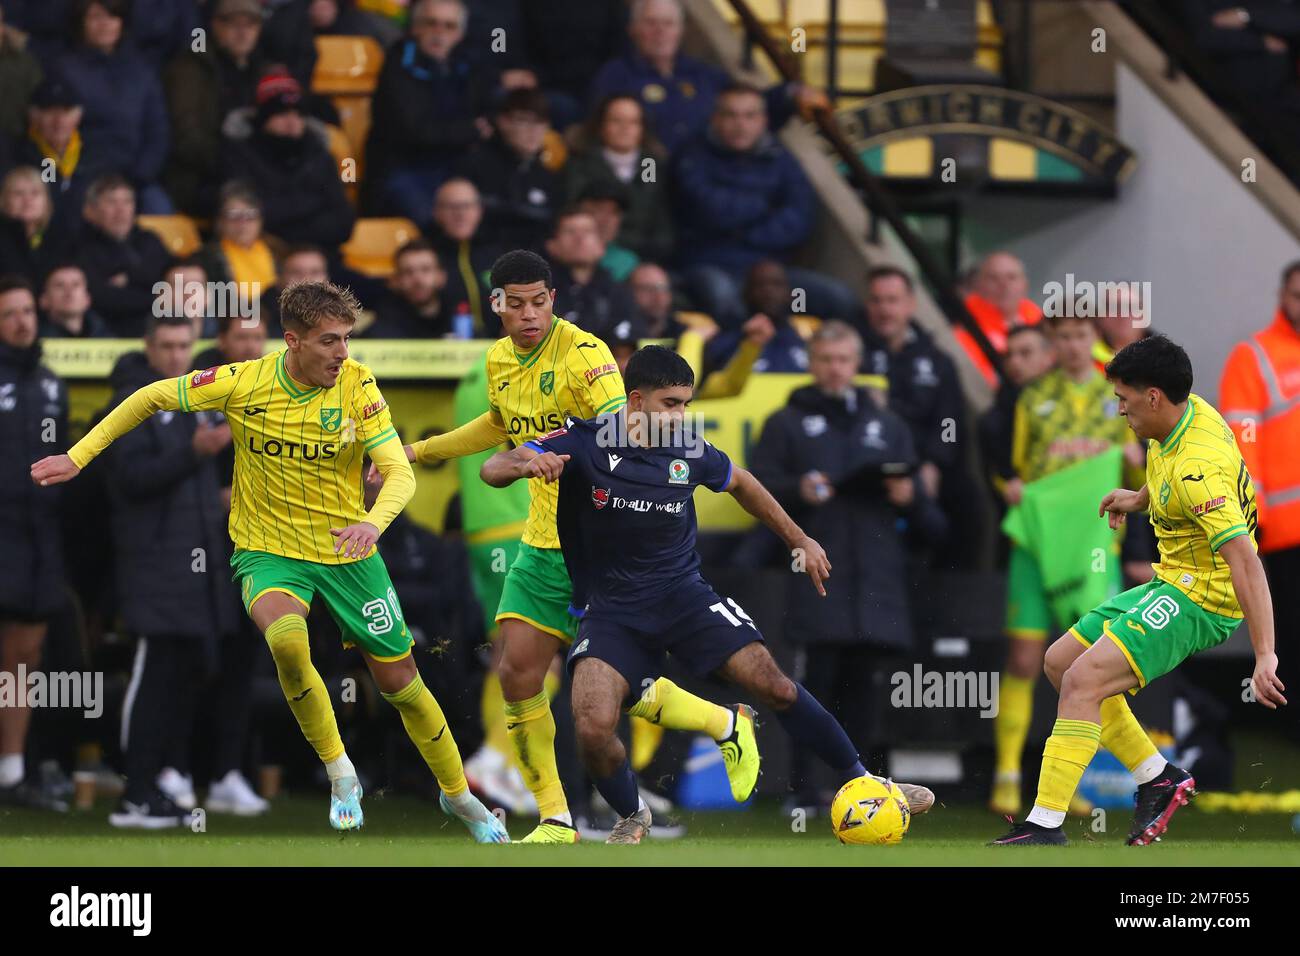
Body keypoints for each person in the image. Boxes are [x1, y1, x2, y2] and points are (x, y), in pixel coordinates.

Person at [31, 280, 508, 842]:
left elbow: (399, 471)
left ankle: (459, 797)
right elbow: (151, 396)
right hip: (269, 551)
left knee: (401, 681)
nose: (342, 353)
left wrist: (370, 524)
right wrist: (78, 455)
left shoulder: (358, 386)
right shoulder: (244, 381)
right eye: (329, 341)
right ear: (293, 341)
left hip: (347, 550)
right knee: (286, 641)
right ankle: (340, 773)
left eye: (347, 339)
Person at [482, 345, 935, 842]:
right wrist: (528, 465)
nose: (681, 416)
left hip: (684, 596)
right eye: (670, 404)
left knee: (776, 685)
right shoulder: (585, 442)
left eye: (685, 404)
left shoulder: (690, 449)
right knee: (592, 724)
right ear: (635, 401)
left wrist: (799, 539)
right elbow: (498, 464)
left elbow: (742, 483)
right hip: (611, 610)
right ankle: (633, 814)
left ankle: (866, 780)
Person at [391, 249, 748, 843]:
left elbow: (622, 433)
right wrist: (423, 451)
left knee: (612, 685)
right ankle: (557, 819)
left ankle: (719, 725)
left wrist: (568, 452)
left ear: (553, 299)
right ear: (497, 305)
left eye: (540, 301)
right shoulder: (500, 358)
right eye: (517, 303)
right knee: (516, 672)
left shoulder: (586, 356)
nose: (530, 314)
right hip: (541, 542)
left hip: (599, 546)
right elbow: (500, 426)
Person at [993, 335, 1286, 846]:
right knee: (1061, 663)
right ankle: (1158, 777)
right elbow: (1166, 461)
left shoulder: (1200, 472)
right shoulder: (1182, 412)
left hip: (1203, 598)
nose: (1118, 408)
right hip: (1174, 577)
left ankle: (1045, 824)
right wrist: (1139, 496)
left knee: (1083, 681)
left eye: (1124, 399)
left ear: (1153, 397)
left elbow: (1246, 561)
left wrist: (1264, 656)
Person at [750, 322, 947, 803]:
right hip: (817, 570)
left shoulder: (887, 423)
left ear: (856, 363)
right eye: (825, 359)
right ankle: (802, 790)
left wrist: (910, 493)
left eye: (843, 359)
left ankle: (859, 789)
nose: (835, 368)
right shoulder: (786, 422)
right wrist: (800, 489)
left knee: (864, 690)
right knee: (812, 685)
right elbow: (757, 488)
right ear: (812, 363)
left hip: (876, 576)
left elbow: (927, 514)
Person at [989, 312, 1141, 818]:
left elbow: (1144, 464)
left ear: (1093, 339)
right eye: (1063, 338)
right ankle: (1007, 773)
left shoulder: (1121, 392)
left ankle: (1066, 782)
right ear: (1053, 344)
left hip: (1095, 546)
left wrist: (1135, 458)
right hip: (1039, 544)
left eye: (1081, 336)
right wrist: (1009, 487)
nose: (1073, 346)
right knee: (1025, 660)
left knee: (1089, 665)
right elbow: (1012, 470)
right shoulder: (1033, 397)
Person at [99, 313, 240, 827]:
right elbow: (129, 480)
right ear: (149, 346)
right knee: (150, 677)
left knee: (184, 676)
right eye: (167, 345)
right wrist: (191, 453)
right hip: (151, 567)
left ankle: (153, 786)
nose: (177, 355)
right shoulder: (133, 407)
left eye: (185, 345)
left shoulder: (191, 404)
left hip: (195, 570)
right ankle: (134, 793)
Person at [672, 85, 857, 328]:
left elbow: (799, 220)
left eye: (750, 116)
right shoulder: (691, 155)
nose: (741, 125)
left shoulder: (780, 158)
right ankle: (743, 359)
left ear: (763, 120)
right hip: (711, 264)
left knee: (840, 299)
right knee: (722, 297)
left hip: (772, 271)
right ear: (715, 118)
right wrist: (764, 207)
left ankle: (794, 356)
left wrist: (744, 232)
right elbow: (714, 211)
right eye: (731, 115)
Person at [1220, 259, 1300, 741]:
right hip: (1287, 532)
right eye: (1297, 295)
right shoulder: (1256, 357)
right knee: (1291, 641)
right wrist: (1256, 521)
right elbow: (1241, 443)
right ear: (1282, 297)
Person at [0, 275, 70, 811]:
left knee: (24, 656)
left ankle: (12, 773)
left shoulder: (51, 384)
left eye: (27, 311)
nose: (22, 321)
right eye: (10, 314)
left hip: (39, 539)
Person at [590, 0, 826, 154]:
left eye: (668, 24)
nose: (660, 31)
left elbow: (747, 106)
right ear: (634, 30)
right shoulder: (615, 76)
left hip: (707, 174)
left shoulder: (703, 75)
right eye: (651, 23)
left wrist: (789, 95)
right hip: (650, 178)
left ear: (680, 32)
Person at [364, 0, 496, 223]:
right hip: (404, 170)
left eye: (449, 26)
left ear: (460, 34)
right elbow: (413, 132)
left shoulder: (468, 64)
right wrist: (469, 131)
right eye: (431, 23)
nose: (439, 32)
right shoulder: (398, 63)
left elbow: (489, 114)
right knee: (435, 221)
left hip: (458, 167)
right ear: (415, 28)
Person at [56, 0, 171, 213]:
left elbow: (157, 132)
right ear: (81, 23)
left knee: (160, 210)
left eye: (112, 16)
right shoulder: (65, 71)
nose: (105, 24)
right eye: (95, 17)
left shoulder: (142, 71)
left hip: (136, 179)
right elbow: (57, 134)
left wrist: (138, 176)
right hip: (84, 177)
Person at [220, 70, 356, 250]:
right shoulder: (239, 156)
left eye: (297, 114)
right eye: (282, 114)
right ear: (264, 119)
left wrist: (292, 223)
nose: (292, 122)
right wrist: (312, 204)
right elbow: (254, 216)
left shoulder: (319, 154)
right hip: (267, 256)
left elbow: (344, 221)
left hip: (323, 258)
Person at [162, 0, 271, 216]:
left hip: (253, 173)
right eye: (234, 25)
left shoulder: (264, 69)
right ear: (215, 26)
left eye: (250, 25)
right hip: (199, 179)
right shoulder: (191, 68)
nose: (242, 33)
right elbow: (188, 140)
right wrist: (238, 164)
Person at [564, 94, 673, 265]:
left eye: (633, 122)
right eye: (616, 121)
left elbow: (656, 212)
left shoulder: (649, 164)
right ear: (601, 126)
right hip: (593, 252)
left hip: (644, 256)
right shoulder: (581, 162)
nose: (625, 128)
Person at [455, 87, 560, 254]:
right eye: (524, 121)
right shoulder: (474, 165)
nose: (534, 130)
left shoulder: (547, 177)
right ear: (503, 121)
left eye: (540, 122)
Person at [75, 173, 172, 336]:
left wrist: (130, 278)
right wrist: (155, 298)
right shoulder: (82, 248)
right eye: (111, 202)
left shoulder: (150, 241)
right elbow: (102, 298)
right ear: (92, 210)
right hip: (105, 331)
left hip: (158, 327)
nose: (121, 210)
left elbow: (170, 283)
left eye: (127, 201)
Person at [545, 207, 637, 341]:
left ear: (601, 247)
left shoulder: (620, 293)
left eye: (587, 232)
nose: (579, 238)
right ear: (552, 246)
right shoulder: (538, 291)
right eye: (570, 232)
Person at [956, 251, 1043, 389]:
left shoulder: (1040, 320)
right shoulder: (965, 328)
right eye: (993, 278)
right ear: (978, 286)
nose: (1004, 285)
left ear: (1025, 284)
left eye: (1011, 277)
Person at [426, 178, 500, 336]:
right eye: (452, 207)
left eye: (467, 206)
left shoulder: (501, 255)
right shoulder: (425, 258)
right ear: (437, 212)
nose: (460, 214)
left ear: (479, 211)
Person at [0, 165, 79, 286]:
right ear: (5, 200)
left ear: (46, 201)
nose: (27, 200)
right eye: (18, 194)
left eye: (35, 193)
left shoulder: (64, 237)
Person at [364, 238, 452, 338]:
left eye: (426, 270)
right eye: (408, 272)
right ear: (395, 281)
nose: (418, 279)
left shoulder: (461, 320)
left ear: (441, 277)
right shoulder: (381, 330)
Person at [38, 262, 108, 338]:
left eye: (76, 285)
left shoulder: (110, 341)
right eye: (60, 285)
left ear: (87, 299)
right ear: (44, 300)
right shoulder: (33, 343)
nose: (69, 292)